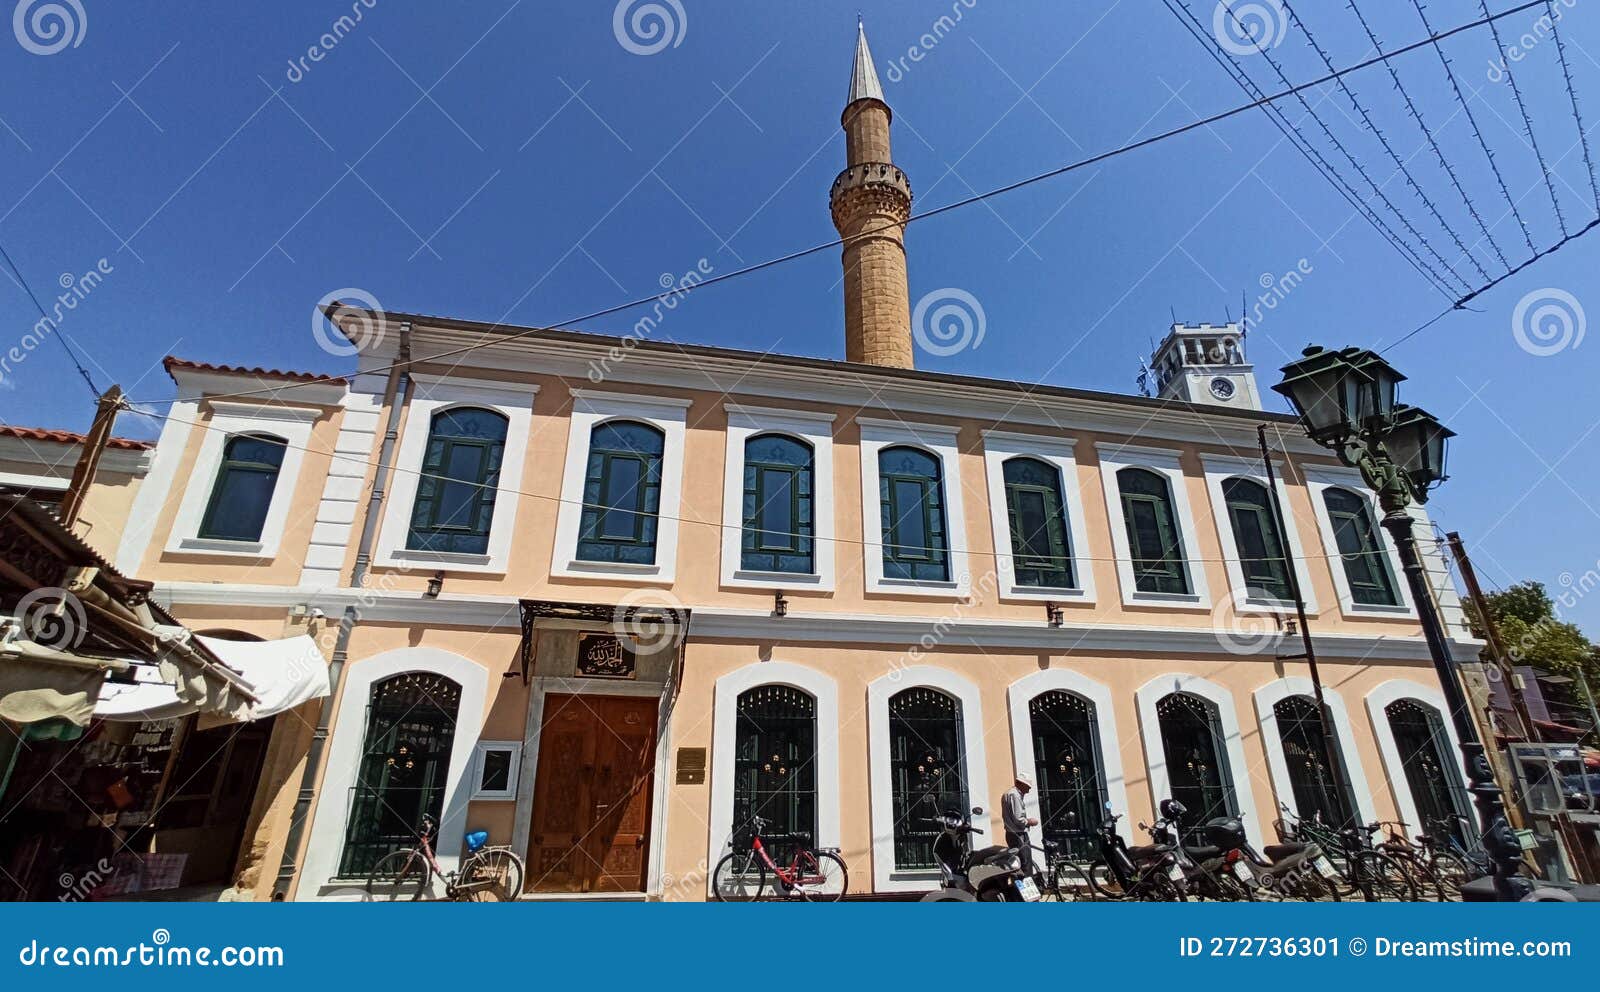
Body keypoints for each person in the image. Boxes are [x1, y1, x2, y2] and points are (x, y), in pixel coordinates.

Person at [1002, 772, 1040, 876]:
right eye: (1027, 786)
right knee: (1025, 864)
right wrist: (1029, 822)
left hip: (1013, 834)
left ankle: (1021, 887)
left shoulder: (1011, 794)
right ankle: (1027, 889)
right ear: (1021, 784)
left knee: (1019, 863)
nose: (1029, 789)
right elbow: (1018, 819)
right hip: (1018, 834)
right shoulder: (1015, 795)